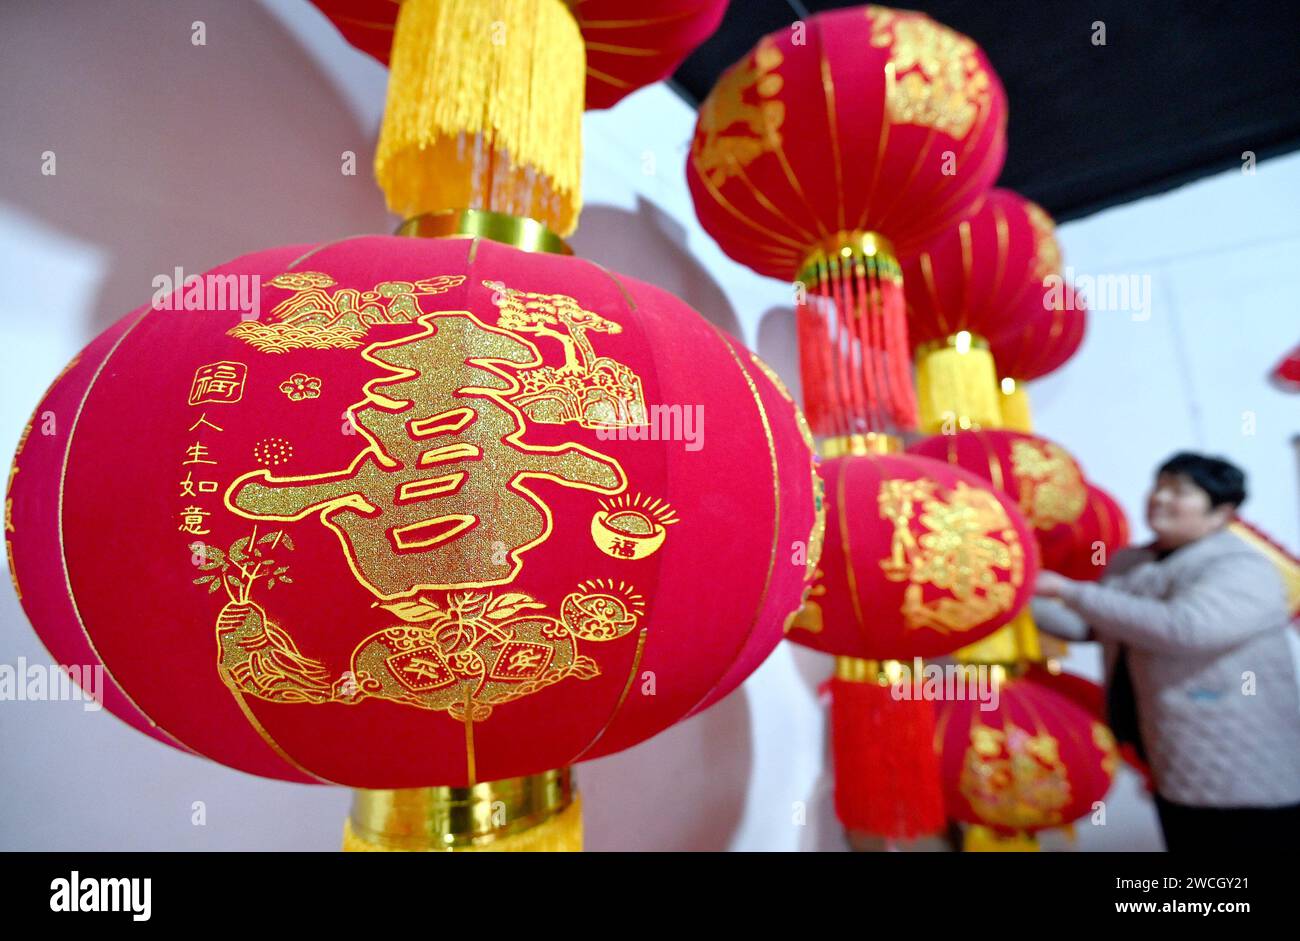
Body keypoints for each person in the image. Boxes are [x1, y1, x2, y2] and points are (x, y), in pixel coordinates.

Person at [1034, 452, 1300, 851]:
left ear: (1221, 511)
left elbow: (1185, 628)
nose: (1159, 498)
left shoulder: (1244, 567)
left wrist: (1069, 591)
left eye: (1179, 491)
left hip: (1247, 769)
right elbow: (1095, 626)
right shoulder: (1134, 561)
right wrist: (1019, 594)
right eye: (1159, 486)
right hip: (1168, 752)